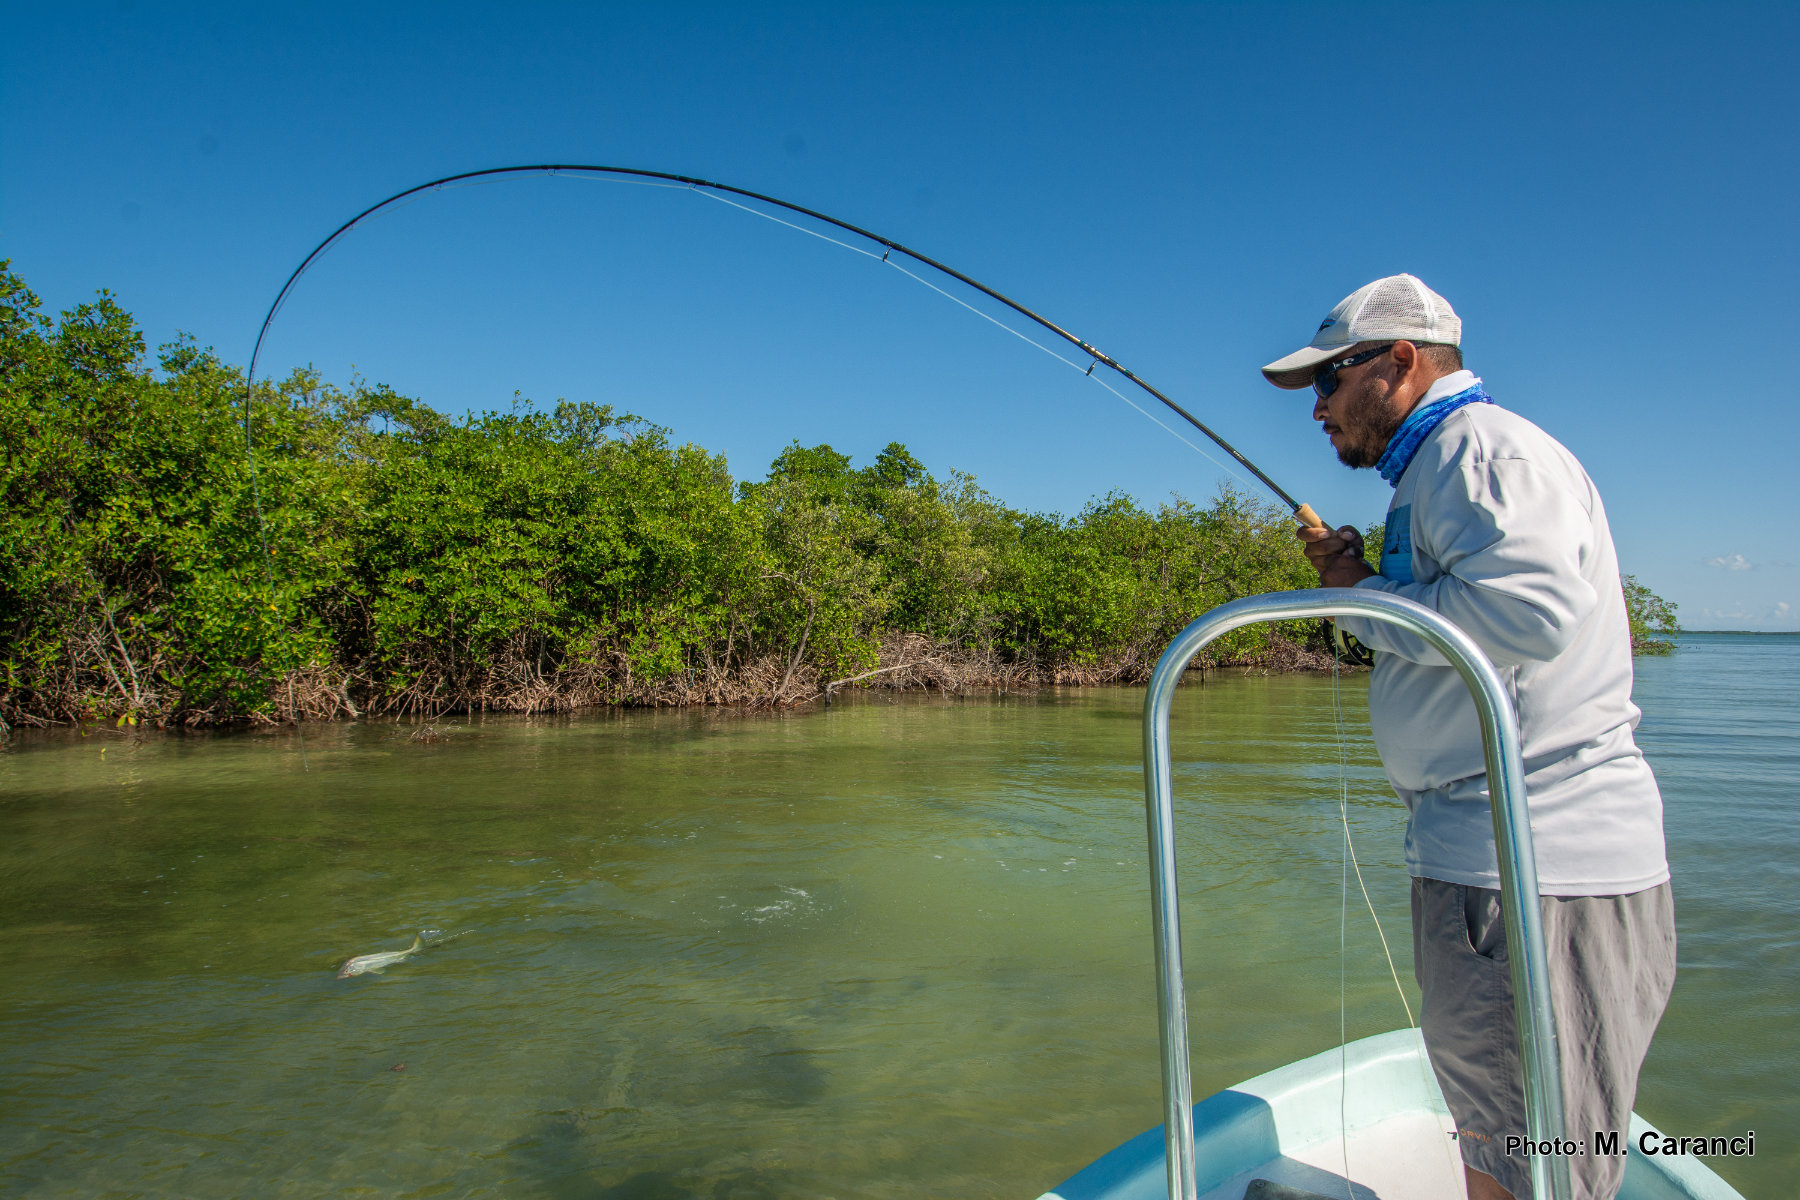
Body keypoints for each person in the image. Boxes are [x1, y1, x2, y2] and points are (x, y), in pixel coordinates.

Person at [1260, 274, 1675, 1200]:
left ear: (1401, 361)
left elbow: (1524, 615)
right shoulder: (1442, 465)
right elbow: (1468, 615)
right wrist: (1363, 578)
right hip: (1497, 856)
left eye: (1330, 381)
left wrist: (1361, 599)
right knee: (1513, 1136)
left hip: (1527, 864)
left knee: (1523, 1153)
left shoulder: (1476, 449)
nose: (1318, 408)